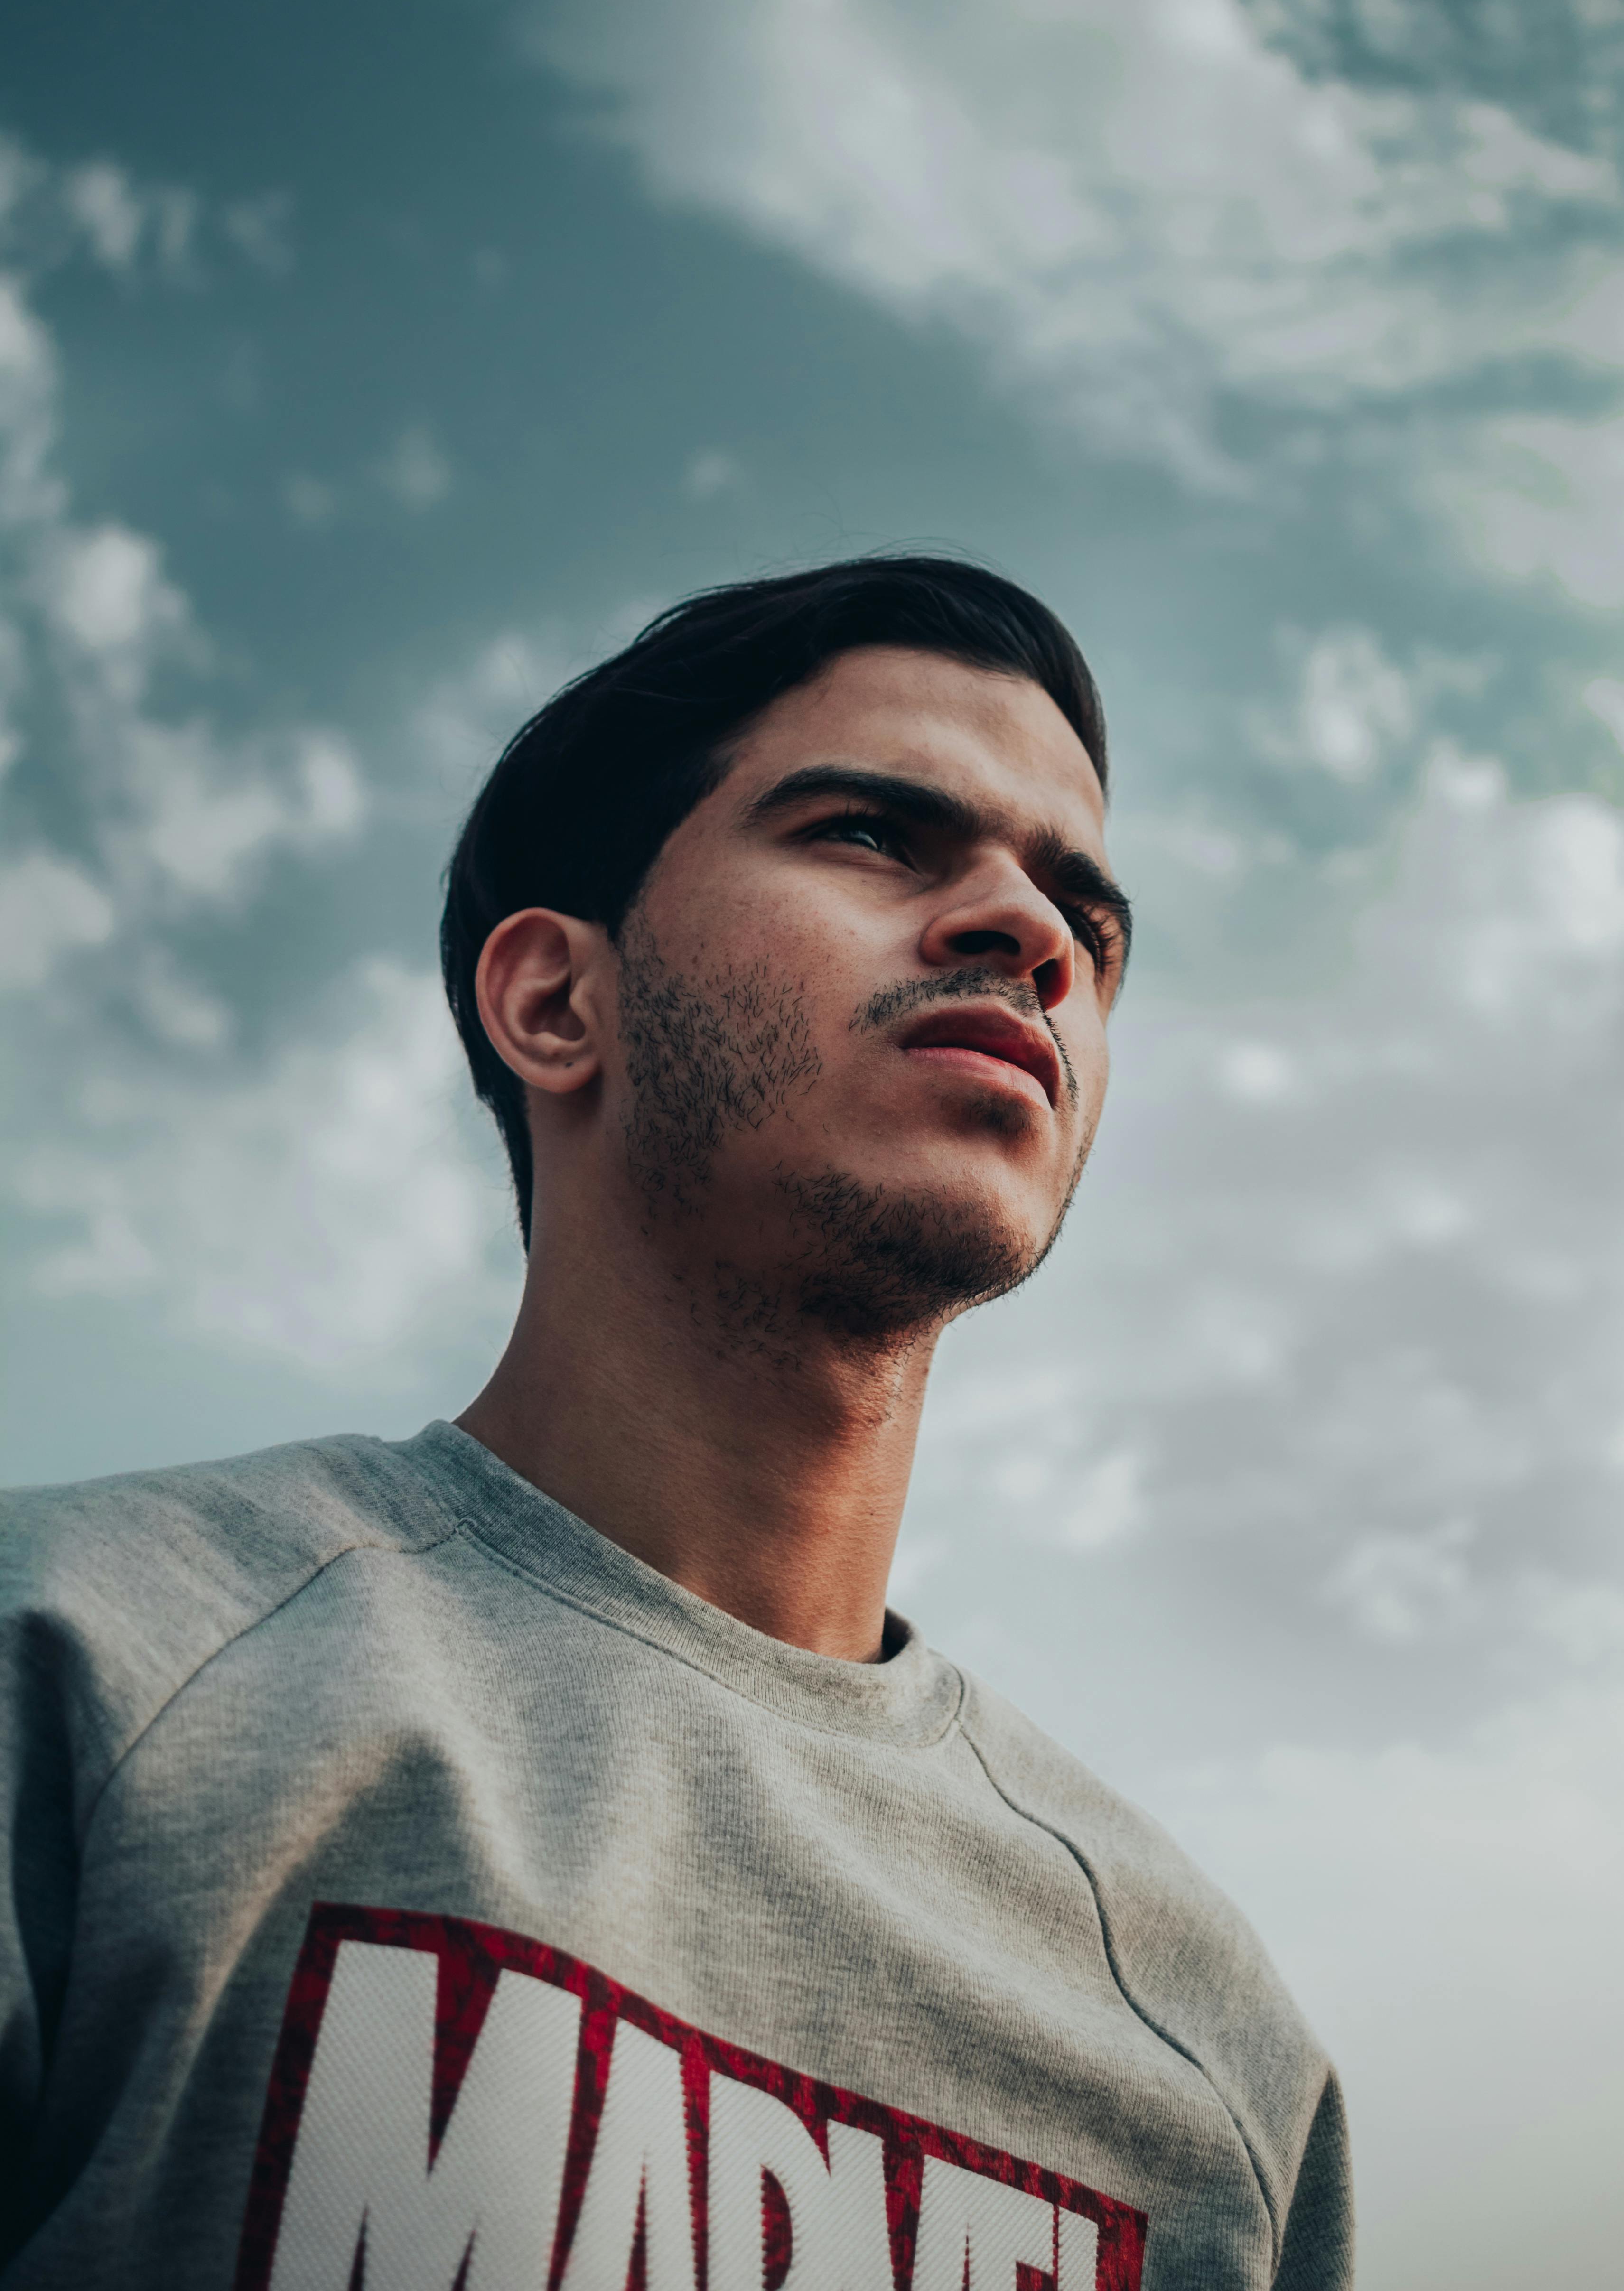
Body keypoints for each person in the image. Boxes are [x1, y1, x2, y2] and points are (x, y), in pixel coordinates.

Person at [0, 557, 1351, 2290]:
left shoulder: (1210, 2058)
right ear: (557, 1001)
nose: (1026, 933)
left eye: (1085, 923)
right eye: (872, 832)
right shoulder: (84, 1674)